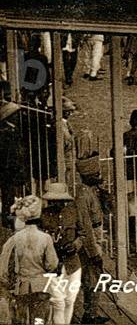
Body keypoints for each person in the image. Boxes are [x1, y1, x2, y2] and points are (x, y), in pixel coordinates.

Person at [0, 195, 59, 325]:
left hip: (22, 286)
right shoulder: (45, 238)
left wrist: (6, 280)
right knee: (39, 320)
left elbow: (4, 263)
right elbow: (52, 264)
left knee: (22, 319)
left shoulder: (15, 238)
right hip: (41, 285)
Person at [41, 182, 83, 325]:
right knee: (57, 301)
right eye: (54, 201)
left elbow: (83, 234)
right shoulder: (43, 216)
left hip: (72, 263)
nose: (57, 204)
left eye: (60, 201)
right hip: (53, 265)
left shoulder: (73, 213)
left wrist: (76, 245)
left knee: (69, 300)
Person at [75, 154, 110, 324]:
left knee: (95, 277)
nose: (99, 177)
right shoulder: (83, 195)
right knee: (91, 278)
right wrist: (93, 251)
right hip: (89, 243)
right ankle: (89, 315)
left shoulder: (90, 191)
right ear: (88, 176)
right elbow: (85, 226)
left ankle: (92, 312)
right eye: (96, 175)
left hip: (96, 237)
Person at [0, 101, 28, 229]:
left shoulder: (12, 130)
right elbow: (9, 155)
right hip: (9, 172)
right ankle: (8, 218)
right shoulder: (6, 133)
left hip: (11, 171)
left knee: (11, 195)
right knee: (9, 195)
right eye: (16, 114)